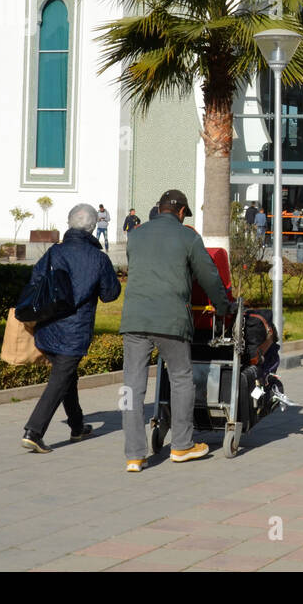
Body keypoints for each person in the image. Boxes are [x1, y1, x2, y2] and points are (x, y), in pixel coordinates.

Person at [120, 189, 230, 472]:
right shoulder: (188, 237)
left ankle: (134, 455)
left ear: (159, 208)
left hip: (134, 319)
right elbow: (209, 275)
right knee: (181, 378)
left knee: (132, 386)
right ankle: (181, 446)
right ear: (181, 212)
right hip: (170, 320)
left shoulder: (136, 235)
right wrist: (223, 306)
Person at [21, 204, 121, 453]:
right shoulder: (99, 259)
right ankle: (34, 431)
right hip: (74, 332)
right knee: (60, 380)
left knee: (67, 377)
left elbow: (34, 281)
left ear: (69, 223)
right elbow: (110, 294)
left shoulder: (54, 252)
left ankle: (77, 426)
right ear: (92, 227)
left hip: (48, 327)